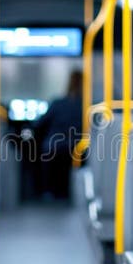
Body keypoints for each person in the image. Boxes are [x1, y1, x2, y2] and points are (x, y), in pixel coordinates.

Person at [33, 70, 83, 200]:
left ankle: (47, 190)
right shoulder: (86, 105)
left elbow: (39, 123)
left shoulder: (57, 103)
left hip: (54, 144)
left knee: (42, 150)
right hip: (77, 145)